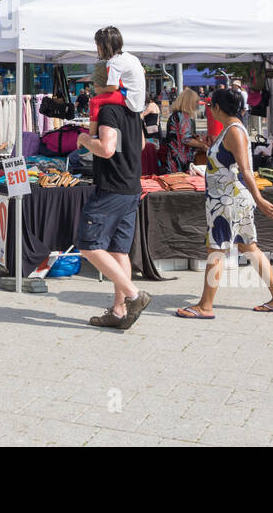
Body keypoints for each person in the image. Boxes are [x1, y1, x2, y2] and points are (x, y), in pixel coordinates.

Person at [176, 88, 273, 319]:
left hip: (228, 201)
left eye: (211, 106)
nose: (209, 109)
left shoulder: (234, 131)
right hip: (228, 199)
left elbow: (246, 170)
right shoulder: (231, 129)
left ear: (218, 107)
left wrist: (260, 199)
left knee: (216, 250)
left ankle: (205, 306)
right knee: (248, 247)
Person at [77, 33, 149, 330]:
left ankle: (134, 295)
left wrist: (84, 140)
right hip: (132, 186)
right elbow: (142, 145)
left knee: (89, 246)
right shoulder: (133, 112)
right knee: (119, 251)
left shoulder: (107, 109)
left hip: (112, 188)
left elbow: (106, 149)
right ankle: (119, 312)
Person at [87, 26, 146, 140]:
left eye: (97, 46)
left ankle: (92, 136)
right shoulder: (131, 57)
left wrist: (101, 90)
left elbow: (113, 86)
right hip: (138, 98)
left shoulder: (113, 62)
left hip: (128, 97)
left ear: (104, 47)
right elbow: (143, 71)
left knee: (94, 101)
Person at [164, 88, 207, 173]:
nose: (197, 105)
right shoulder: (183, 116)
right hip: (181, 160)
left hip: (174, 158)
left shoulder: (176, 115)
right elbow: (185, 139)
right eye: (196, 102)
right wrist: (203, 146)